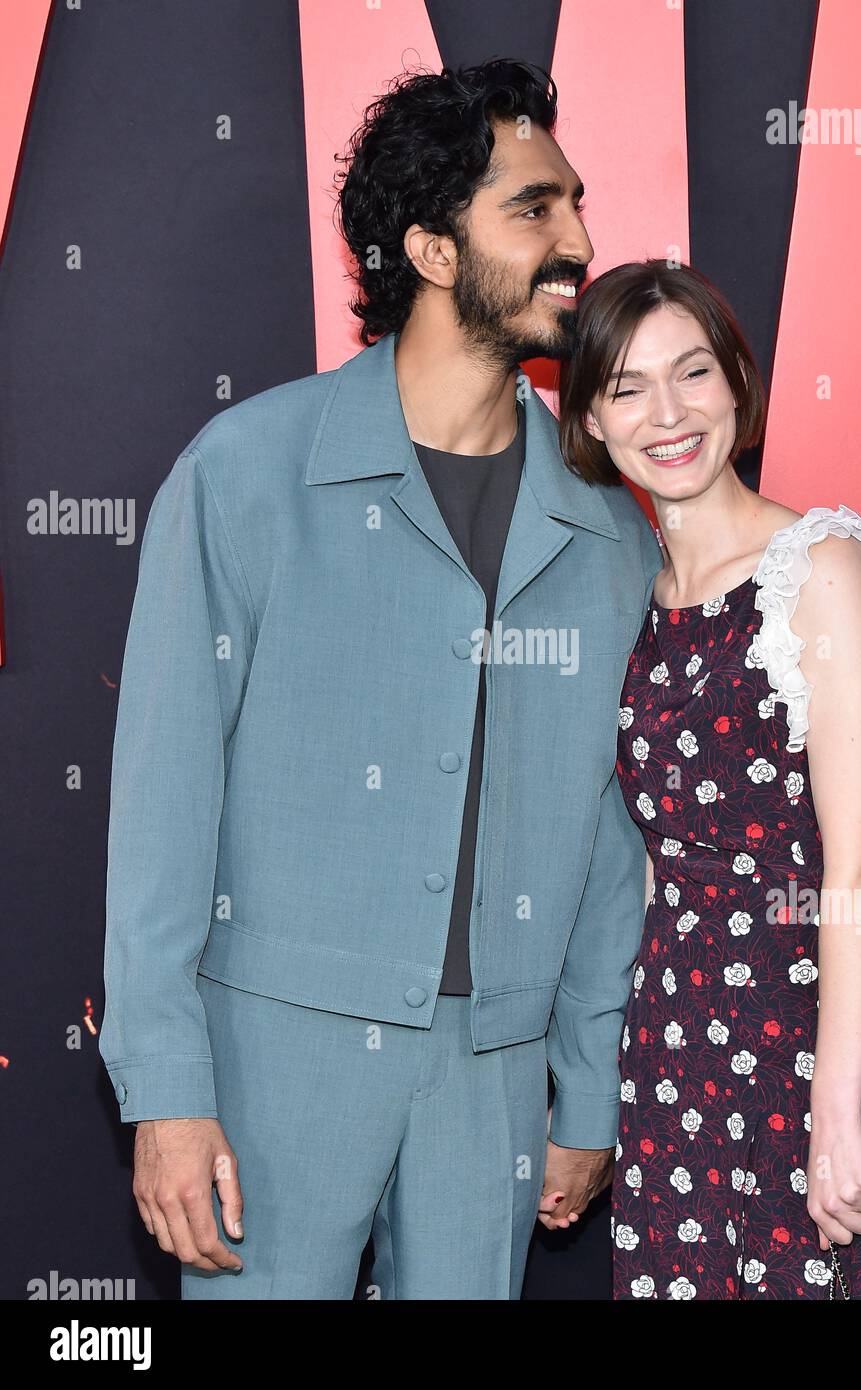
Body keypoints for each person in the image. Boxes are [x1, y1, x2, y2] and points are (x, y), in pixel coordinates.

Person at [98, 61, 664, 1300]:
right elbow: (161, 806)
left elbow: (610, 837)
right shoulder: (248, 473)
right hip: (270, 1056)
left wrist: (588, 1079)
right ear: (432, 248)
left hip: (495, 1074)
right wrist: (168, 1090)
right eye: (534, 208)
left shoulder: (609, 530)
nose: (578, 239)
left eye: (575, 203)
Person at [556, 259, 861, 1299]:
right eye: (628, 388)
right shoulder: (634, 598)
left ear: (738, 385)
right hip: (672, 1045)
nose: (669, 413)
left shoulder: (819, 568)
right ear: (593, 422)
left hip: (808, 1025)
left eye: (692, 372)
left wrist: (837, 1107)